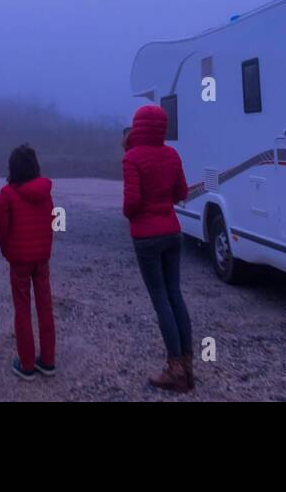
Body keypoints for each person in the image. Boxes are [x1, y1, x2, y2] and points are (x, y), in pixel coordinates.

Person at [122, 104, 194, 393]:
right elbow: (182, 193)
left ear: (138, 126)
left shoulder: (132, 158)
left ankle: (174, 370)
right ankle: (188, 367)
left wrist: (133, 212)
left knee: (160, 299)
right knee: (175, 294)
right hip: (173, 232)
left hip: (146, 237)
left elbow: (131, 205)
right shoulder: (172, 154)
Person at [0, 144, 56, 380]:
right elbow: (51, 221)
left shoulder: (7, 194)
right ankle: (48, 360)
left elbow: (2, 229)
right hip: (42, 258)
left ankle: (27, 364)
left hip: (19, 260)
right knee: (45, 307)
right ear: (34, 166)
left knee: (22, 309)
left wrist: (6, 252)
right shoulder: (45, 191)